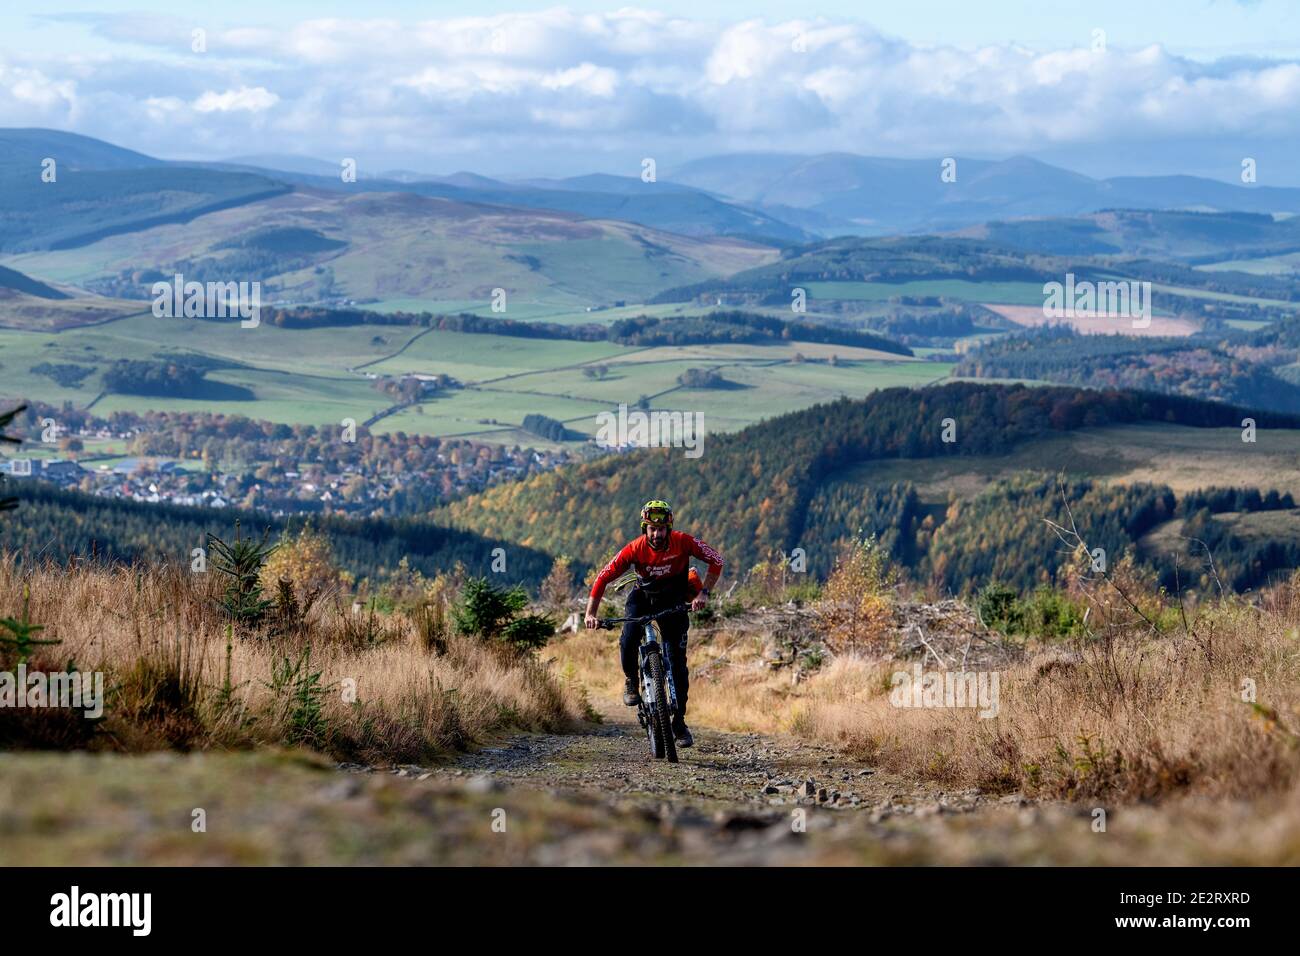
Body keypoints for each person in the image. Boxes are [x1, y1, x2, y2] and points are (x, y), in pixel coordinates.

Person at [585, 499, 723, 748]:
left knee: (677, 663)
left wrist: (705, 594)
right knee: (628, 638)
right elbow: (603, 577)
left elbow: (716, 560)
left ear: (668, 529)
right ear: (644, 529)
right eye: (652, 529)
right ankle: (631, 680)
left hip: (674, 602)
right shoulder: (635, 548)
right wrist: (590, 614)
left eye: (661, 529)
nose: (657, 534)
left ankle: (679, 722)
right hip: (643, 598)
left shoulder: (683, 541)